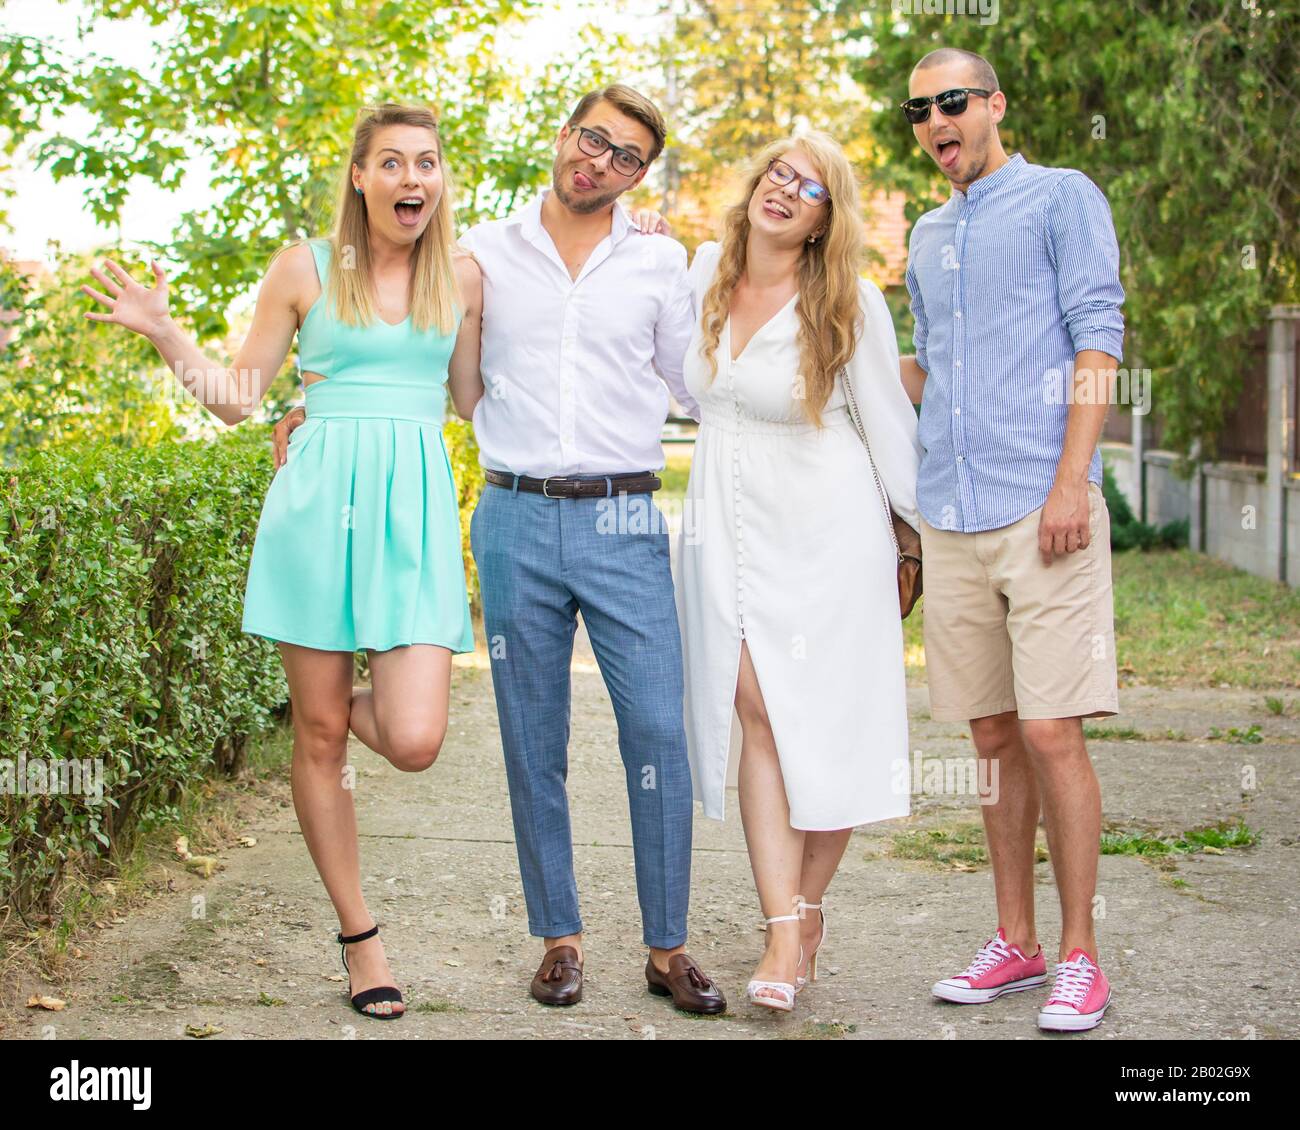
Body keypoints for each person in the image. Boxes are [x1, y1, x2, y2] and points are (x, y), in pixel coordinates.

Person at [276, 84, 726, 1014]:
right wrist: (318, 400)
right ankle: (559, 940)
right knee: (534, 738)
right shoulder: (477, 250)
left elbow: (697, 388)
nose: (599, 160)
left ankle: (668, 946)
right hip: (516, 516)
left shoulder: (659, 261)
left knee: (656, 730)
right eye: (592, 138)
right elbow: (426, 364)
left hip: (624, 516)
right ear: (563, 137)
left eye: (626, 155)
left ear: (642, 175)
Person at [83, 103, 483, 1020]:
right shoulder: (303, 268)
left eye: (426, 163)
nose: (411, 179)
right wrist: (164, 332)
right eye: (391, 163)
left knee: (416, 740)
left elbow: (471, 401)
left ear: (440, 181)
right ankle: (361, 940)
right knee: (323, 739)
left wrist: (638, 228)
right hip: (317, 513)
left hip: (412, 517)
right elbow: (236, 399)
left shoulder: (462, 277)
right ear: (360, 177)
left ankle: (306, 698)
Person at [898, 47, 1124, 1032]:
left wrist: (1072, 479)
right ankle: (1014, 938)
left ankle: (1080, 953)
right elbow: (930, 371)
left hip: (1043, 506)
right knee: (990, 733)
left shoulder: (1061, 197)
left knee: (1049, 728)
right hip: (948, 515)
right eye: (920, 110)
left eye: (954, 101)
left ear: (992, 105)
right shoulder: (923, 232)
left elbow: (1095, 335)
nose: (938, 120)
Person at [677, 131, 921, 1012]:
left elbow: (889, 424)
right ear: (755, 185)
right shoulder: (703, 269)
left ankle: (794, 923)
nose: (786, 189)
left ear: (824, 222)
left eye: (809, 188)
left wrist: (915, 538)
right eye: (779, 173)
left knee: (818, 724)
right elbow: (673, 382)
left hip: (829, 529)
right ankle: (787, 923)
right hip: (723, 524)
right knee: (755, 710)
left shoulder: (847, 298)